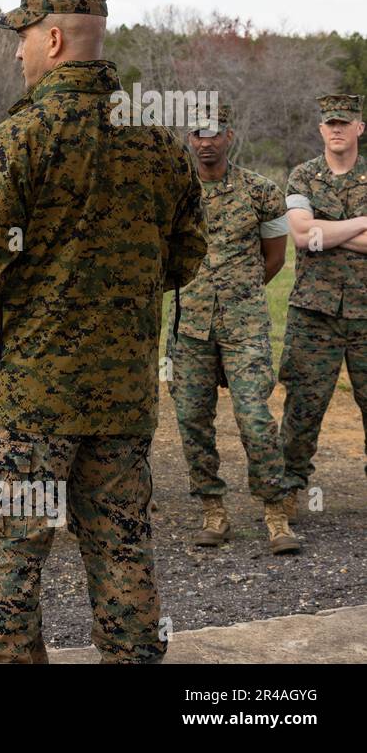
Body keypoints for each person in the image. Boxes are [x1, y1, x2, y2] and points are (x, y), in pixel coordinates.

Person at [0, 0, 205, 664]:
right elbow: (184, 260)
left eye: (22, 38)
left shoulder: (18, 140)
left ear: (53, 39)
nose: (16, 54)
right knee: (122, 546)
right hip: (121, 396)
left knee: (13, 558)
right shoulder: (159, 145)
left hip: (32, 397)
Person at [167, 105, 297, 554]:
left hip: (245, 327)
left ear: (229, 135)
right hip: (190, 328)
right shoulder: (176, 192)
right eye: (197, 134)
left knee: (256, 419)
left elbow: (275, 258)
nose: (205, 142)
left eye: (213, 133)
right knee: (192, 421)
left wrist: (237, 294)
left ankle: (276, 514)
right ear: (189, 139)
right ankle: (213, 511)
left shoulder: (261, 191)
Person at [280, 93, 367, 510]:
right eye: (330, 123)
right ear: (320, 129)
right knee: (303, 406)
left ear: (359, 129)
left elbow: (318, 235)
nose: (336, 129)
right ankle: (291, 489)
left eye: (344, 122)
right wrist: (363, 222)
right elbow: (302, 236)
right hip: (314, 314)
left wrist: (327, 229)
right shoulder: (302, 177)